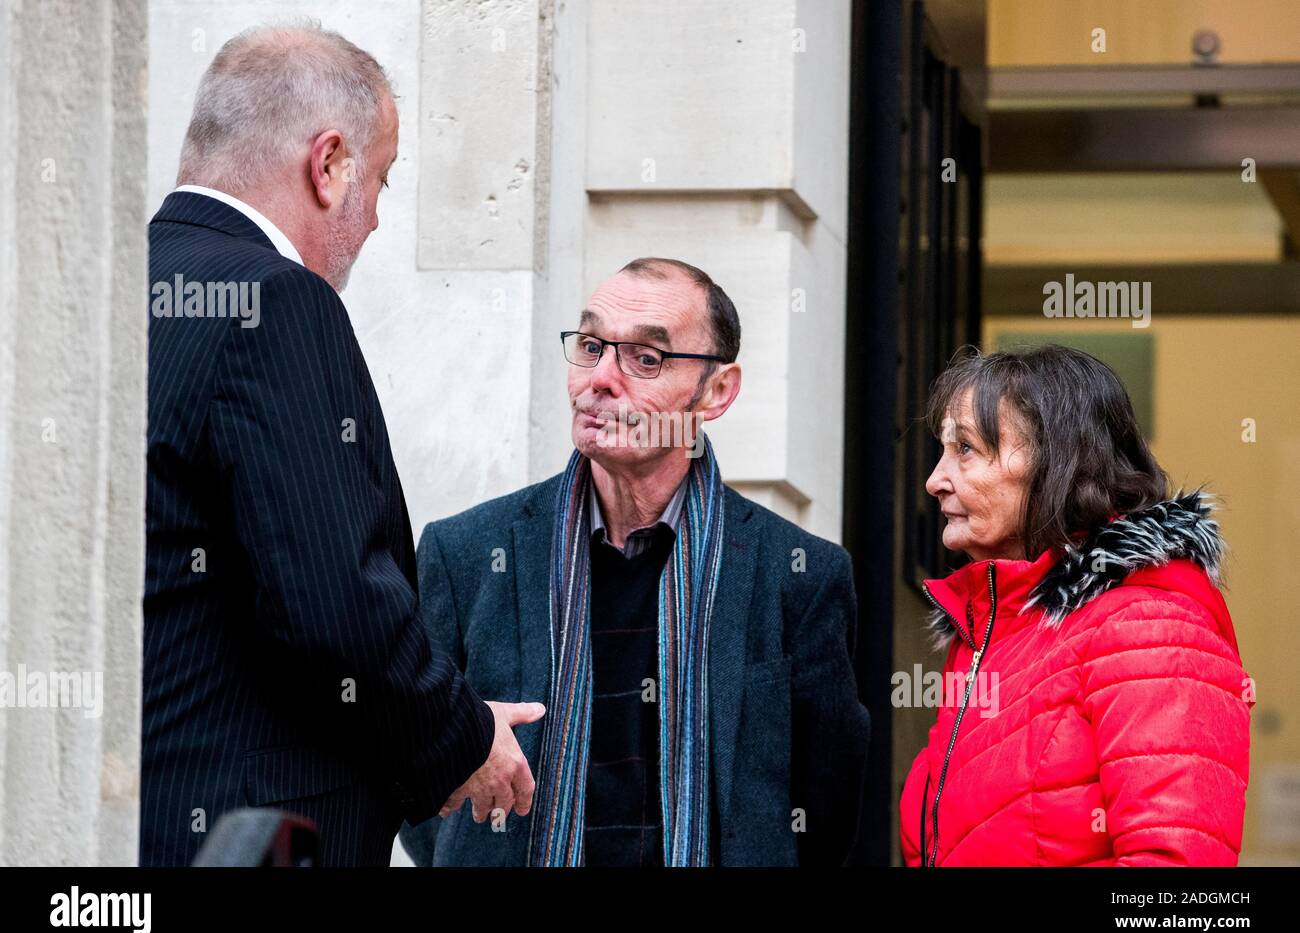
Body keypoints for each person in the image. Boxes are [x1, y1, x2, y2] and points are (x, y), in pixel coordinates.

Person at [142, 23, 541, 866]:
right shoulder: (277, 302)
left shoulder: (118, 285)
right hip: (245, 835)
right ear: (327, 165)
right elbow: (332, 604)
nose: (375, 223)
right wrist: (465, 736)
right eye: (381, 182)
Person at [399, 257, 871, 866]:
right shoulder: (466, 554)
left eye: (646, 359)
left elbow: (824, 812)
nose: (601, 378)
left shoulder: (797, 575)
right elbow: (419, 782)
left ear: (717, 391)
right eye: (592, 346)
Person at [900, 345, 1253, 866]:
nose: (936, 481)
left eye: (966, 449)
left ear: (1055, 458)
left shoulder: (1151, 626)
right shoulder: (993, 633)